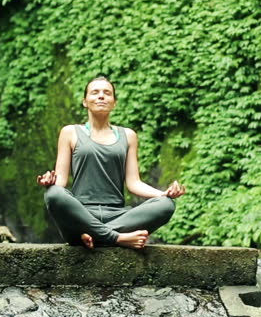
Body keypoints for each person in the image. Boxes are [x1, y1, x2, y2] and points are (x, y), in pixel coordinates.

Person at [36, 76, 185, 249]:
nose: (101, 96)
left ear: (114, 102)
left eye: (107, 93)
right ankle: (117, 238)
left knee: (166, 205)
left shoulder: (128, 135)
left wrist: (164, 194)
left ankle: (96, 236)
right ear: (85, 101)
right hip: (80, 215)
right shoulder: (70, 132)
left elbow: (134, 183)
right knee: (54, 194)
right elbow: (60, 181)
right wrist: (50, 182)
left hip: (118, 215)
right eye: (95, 92)